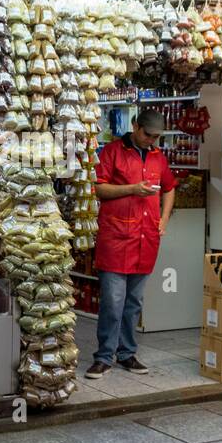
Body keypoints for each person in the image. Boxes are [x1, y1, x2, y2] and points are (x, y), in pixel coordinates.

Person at [87, 109, 177, 379]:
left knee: (134, 302)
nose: (152, 140)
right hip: (116, 238)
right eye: (148, 135)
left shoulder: (158, 157)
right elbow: (98, 188)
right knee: (113, 302)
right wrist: (132, 189)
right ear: (135, 126)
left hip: (145, 238)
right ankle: (104, 356)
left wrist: (164, 219)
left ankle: (127, 353)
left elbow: (170, 187)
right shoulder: (112, 152)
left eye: (157, 137)